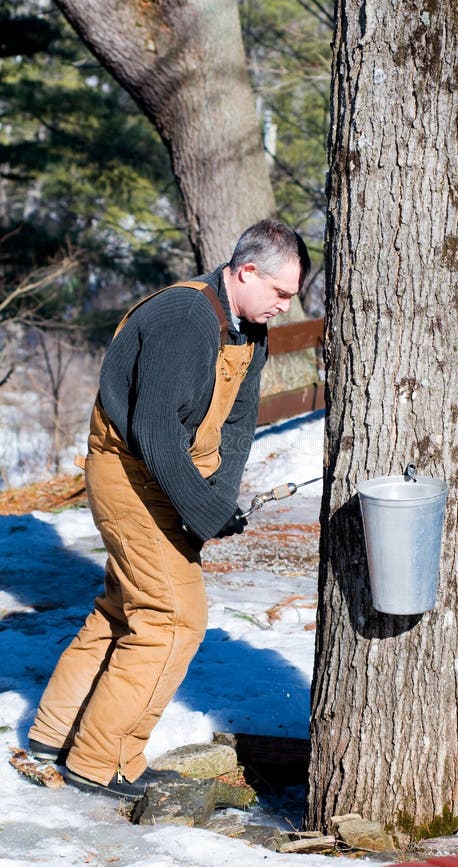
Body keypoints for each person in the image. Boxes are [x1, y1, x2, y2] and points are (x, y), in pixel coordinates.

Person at [28, 219, 311, 798]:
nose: (286, 306)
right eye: (281, 292)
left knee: (122, 608)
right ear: (247, 271)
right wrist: (202, 513)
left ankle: (54, 732)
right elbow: (155, 433)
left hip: (167, 479)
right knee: (172, 620)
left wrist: (219, 499)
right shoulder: (185, 320)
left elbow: (236, 425)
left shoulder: (247, 331)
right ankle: (100, 760)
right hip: (130, 475)